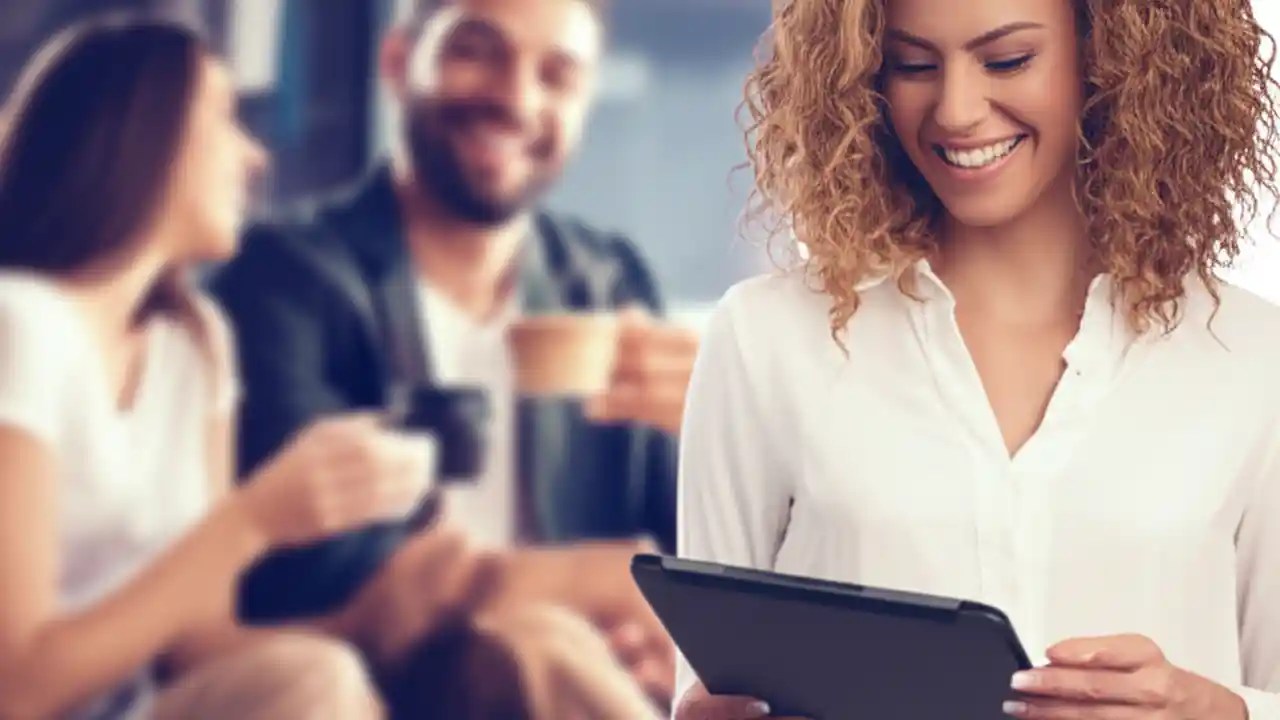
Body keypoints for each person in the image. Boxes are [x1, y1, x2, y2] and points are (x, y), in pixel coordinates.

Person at [0, 14, 660, 720]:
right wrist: (255, 520)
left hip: (200, 694)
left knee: (530, 643)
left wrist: (358, 626)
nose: (255, 158)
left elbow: (197, 648)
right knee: (330, 678)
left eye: (558, 75)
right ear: (141, 136)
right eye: (224, 119)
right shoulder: (26, 326)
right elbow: (15, 687)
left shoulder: (194, 346)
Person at [676, 0, 1280, 719]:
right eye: (912, 66)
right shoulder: (765, 338)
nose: (956, 112)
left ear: (1112, 58)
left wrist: (1218, 711)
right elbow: (709, 685)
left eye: (1007, 60)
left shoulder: (1252, 358)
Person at [210, 0, 691, 710]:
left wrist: (661, 643)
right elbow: (340, 574)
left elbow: (695, 550)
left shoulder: (608, 282)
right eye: (477, 52)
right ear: (399, 62)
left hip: (563, 681)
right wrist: (602, 578)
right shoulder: (286, 276)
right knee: (537, 637)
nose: (516, 98)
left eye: (557, 75)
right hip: (375, 682)